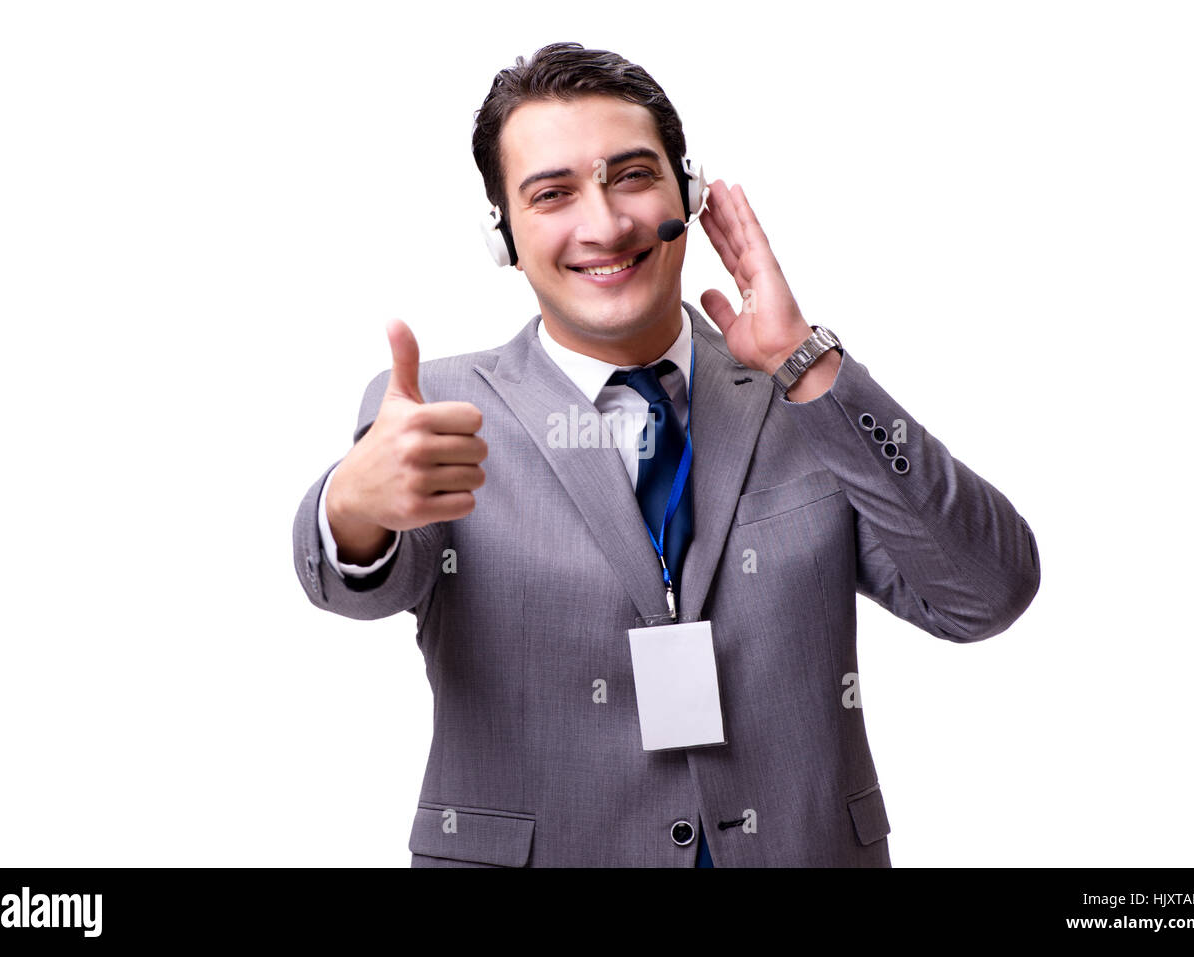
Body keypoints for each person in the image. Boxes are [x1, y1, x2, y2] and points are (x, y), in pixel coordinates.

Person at [291, 41, 1040, 867]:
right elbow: (358, 584)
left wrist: (809, 364)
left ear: (686, 192)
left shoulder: (802, 402)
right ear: (502, 234)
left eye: (633, 176)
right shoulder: (435, 411)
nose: (605, 224)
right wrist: (351, 509)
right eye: (553, 194)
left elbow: (987, 593)